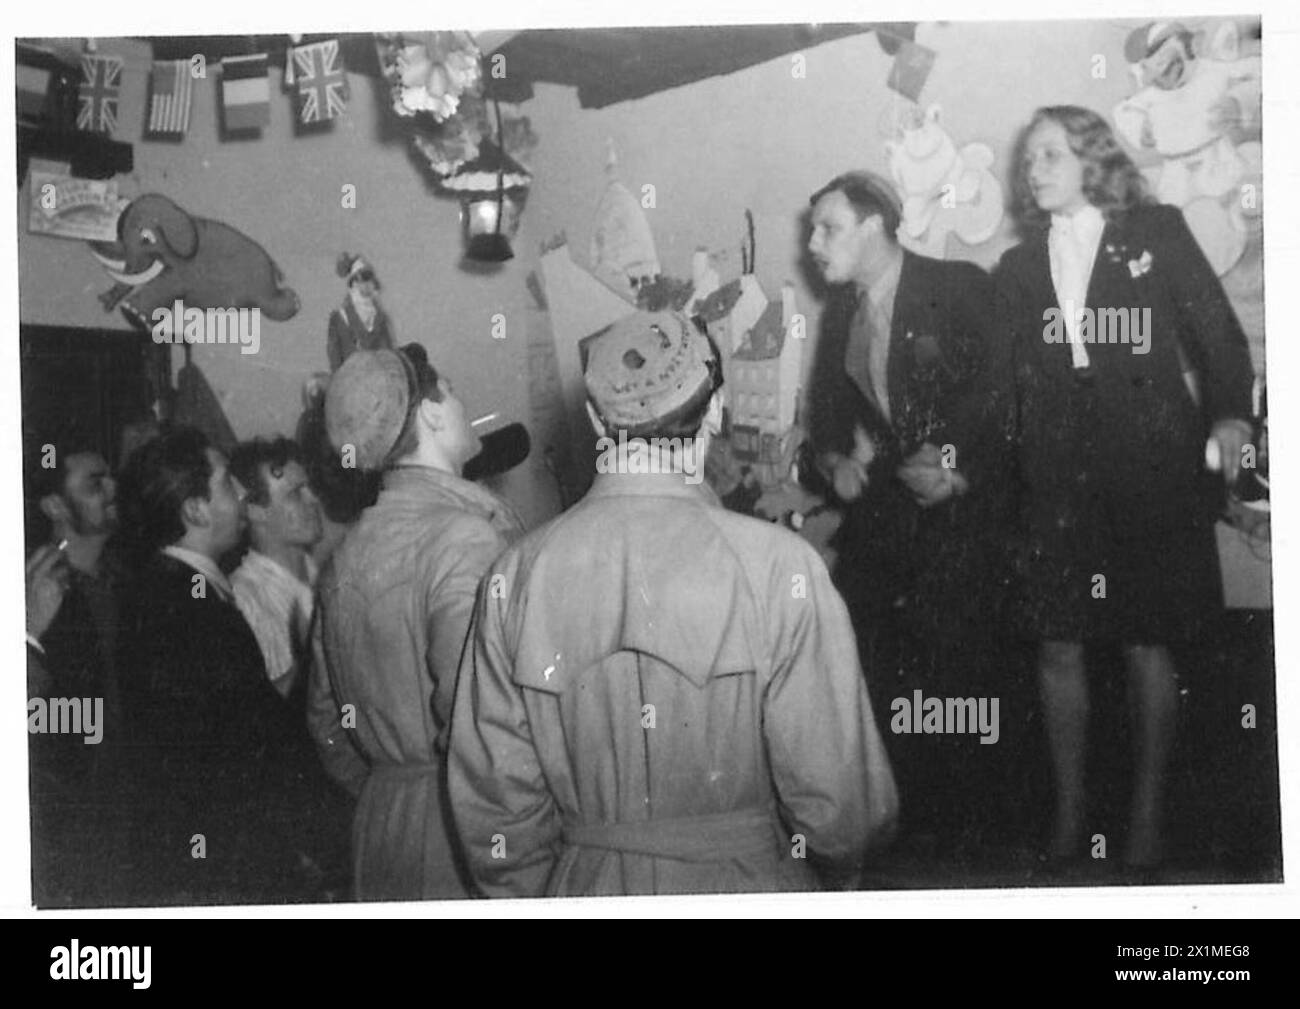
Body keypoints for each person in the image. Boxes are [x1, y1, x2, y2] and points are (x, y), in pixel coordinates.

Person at [448, 309, 898, 898]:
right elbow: (844, 811)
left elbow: (494, 815)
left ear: (593, 420)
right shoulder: (780, 567)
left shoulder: (514, 575)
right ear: (715, 411)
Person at [992, 106, 1254, 871]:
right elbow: (1000, 391)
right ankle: (1071, 817)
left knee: (1147, 635)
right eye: (1029, 157)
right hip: (1054, 473)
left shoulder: (1158, 232)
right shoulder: (1017, 267)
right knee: (1057, 638)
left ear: (1092, 158)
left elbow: (1218, 336)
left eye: (1050, 154)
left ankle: (1144, 818)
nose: (1034, 168)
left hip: (1150, 462)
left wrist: (1232, 417)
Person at [804, 171, 1011, 851]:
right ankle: (911, 824)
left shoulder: (957, 287)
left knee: (967, 676)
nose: (813, 243)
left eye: (829, 227)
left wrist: (962, 471)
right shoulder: (843, 312)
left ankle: (978, 839)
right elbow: (828, 422)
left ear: (874, 227)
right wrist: (836, 461)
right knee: (870, 655)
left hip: (973, 514)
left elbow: (1011, 394)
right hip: (897, 518)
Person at [309, 343, 524, 901]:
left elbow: (327, 725)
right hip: (461, 838)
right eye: (450, 390)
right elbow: (484, 727)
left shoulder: (345, 556)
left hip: (381, 831)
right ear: (431, 412)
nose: (459, 402)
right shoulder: (464, 537)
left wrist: (393, 787)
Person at [116, 426, 341, 903]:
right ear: (195, 509)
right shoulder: (183, 606)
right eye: (224, 482)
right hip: (221, 873)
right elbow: (242, 750)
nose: (239, 490)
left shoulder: (181, 590)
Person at [25, 437, 127, 906]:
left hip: (125, 818)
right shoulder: (39, 597)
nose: (112, 488)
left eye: (110, 476)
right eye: (94, 482)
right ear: (54, 504)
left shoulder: (124, 581)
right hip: (74, 826)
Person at [229, 437, 324, 701]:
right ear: (256, 512)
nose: (313, 499)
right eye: (296, 493)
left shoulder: (328, 577)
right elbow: (256, 708)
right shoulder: (244, 601)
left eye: (310, 488)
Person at [327, 252, 393, 372]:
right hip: (350, 379)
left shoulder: (380, 318)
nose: (367, 285)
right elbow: (335, 358)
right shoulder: (340, 317)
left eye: (369, 280)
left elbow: (388, 353)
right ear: (354, 283)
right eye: (362, 280)